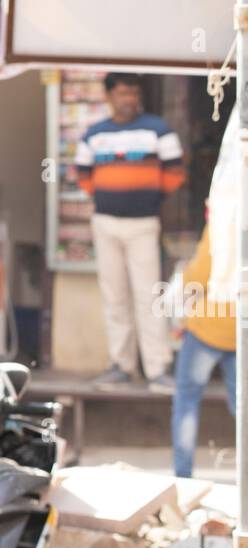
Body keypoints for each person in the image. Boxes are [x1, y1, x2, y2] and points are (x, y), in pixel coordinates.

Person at [75, 73, 184, 393]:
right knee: (114, 296)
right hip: (105, 223)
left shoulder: (158, 129)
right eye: (123, 93)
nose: (129, 100)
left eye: (133, 93)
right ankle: (121, 365)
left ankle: (158, 368)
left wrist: (147, 196)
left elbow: (175, 173)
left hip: (143, 223)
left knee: (149, 295)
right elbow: (83, 177)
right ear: (109, 96)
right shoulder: (94, 135)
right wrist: (109, 194)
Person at [170, 224, 235, 478]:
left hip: (207, 326)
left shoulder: (221, 226)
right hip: (244, 328)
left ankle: (183, 475)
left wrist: (184, 275)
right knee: (244, 406)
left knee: (186, 401)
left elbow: (198, 275)